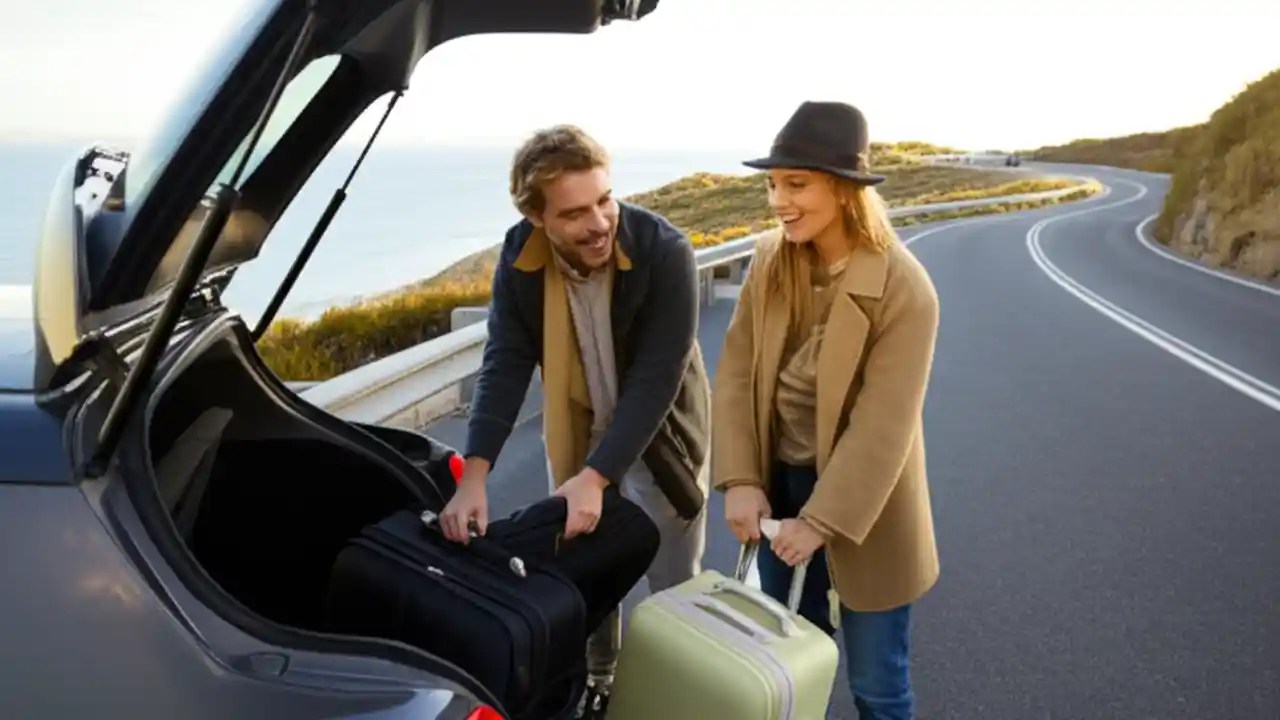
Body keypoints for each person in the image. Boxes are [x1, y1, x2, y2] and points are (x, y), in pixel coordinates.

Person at [439, 124, 711, 717]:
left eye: (605, 200)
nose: (599, 223)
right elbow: (506, 361)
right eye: (575, 213)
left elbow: (656, 379)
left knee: (673, 577)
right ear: (538, 219)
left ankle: (682, 690)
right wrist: (474, 475)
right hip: (578, 425)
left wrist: (598, 477)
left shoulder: (665, 251)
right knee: (588, 565)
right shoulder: (521, 258)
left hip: (660, 431)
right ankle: (600, 679)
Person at [712, 100, 941, 720]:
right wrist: (739, 480)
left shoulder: (905, 287)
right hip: (778, 490)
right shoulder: (769, 259)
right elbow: (734, 373)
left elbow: (884, 424)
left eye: (796, 184)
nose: (778, 200)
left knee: (877, 686)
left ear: (843, 191)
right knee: (784, 677)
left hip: (864, 509)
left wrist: (822, 521)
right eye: (773, 184)